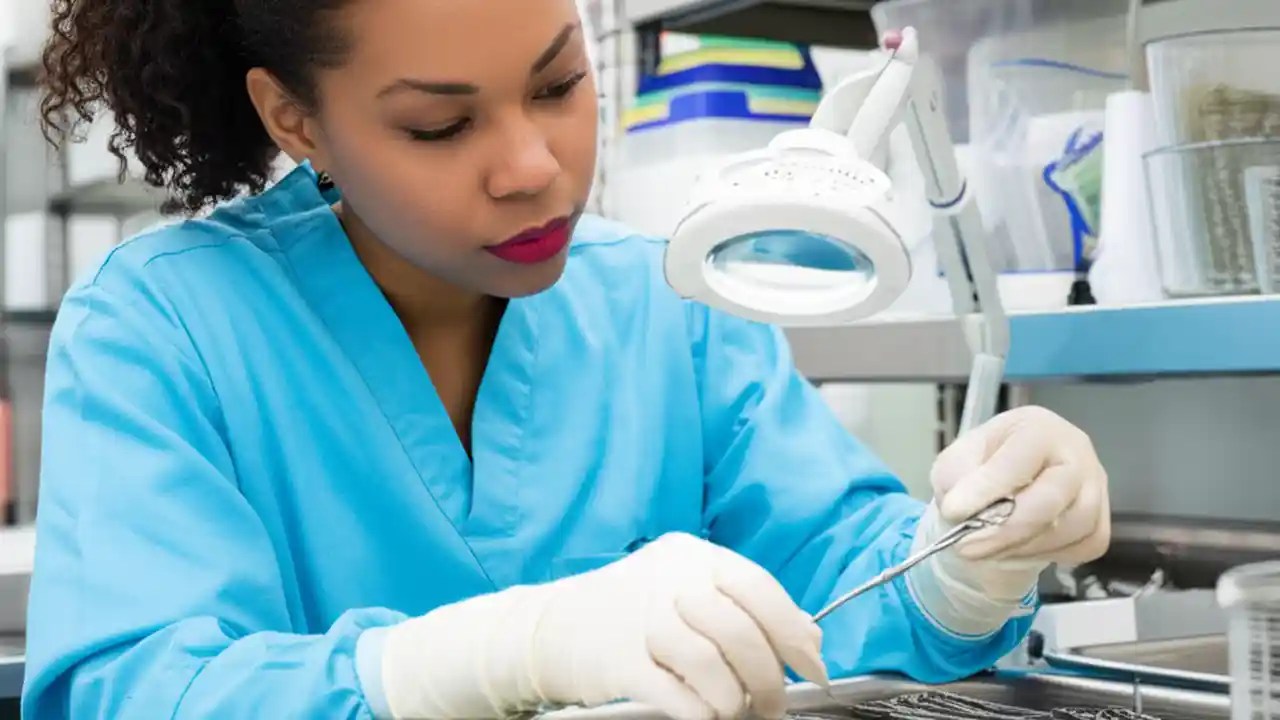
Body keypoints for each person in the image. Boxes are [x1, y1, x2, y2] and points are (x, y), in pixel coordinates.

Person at [23, 1, 1111, 718]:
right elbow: (136, 687)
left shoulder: (659, 301)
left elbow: (831, 579)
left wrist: (968, 560)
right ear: (293, 117)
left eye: (555, 86)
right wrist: (492, 655)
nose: (535, 168)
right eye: (441, 128)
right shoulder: (164, 327)